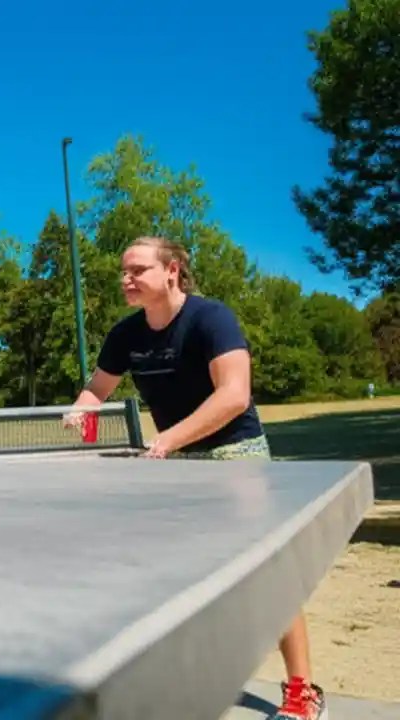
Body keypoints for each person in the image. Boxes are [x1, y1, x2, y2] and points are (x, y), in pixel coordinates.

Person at [65, 236, 326, 720]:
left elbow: (233, 395)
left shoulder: (212, 319)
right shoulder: (125, 336)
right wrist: (78, 414)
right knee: (175, 576)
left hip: (235, 454)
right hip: (175, 465)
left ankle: (303, 692)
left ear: (171, 272)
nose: (127, 279)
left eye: (138, 270)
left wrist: (166, 441)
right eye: (123, 271)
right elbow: (95, 391)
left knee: (272, 575)